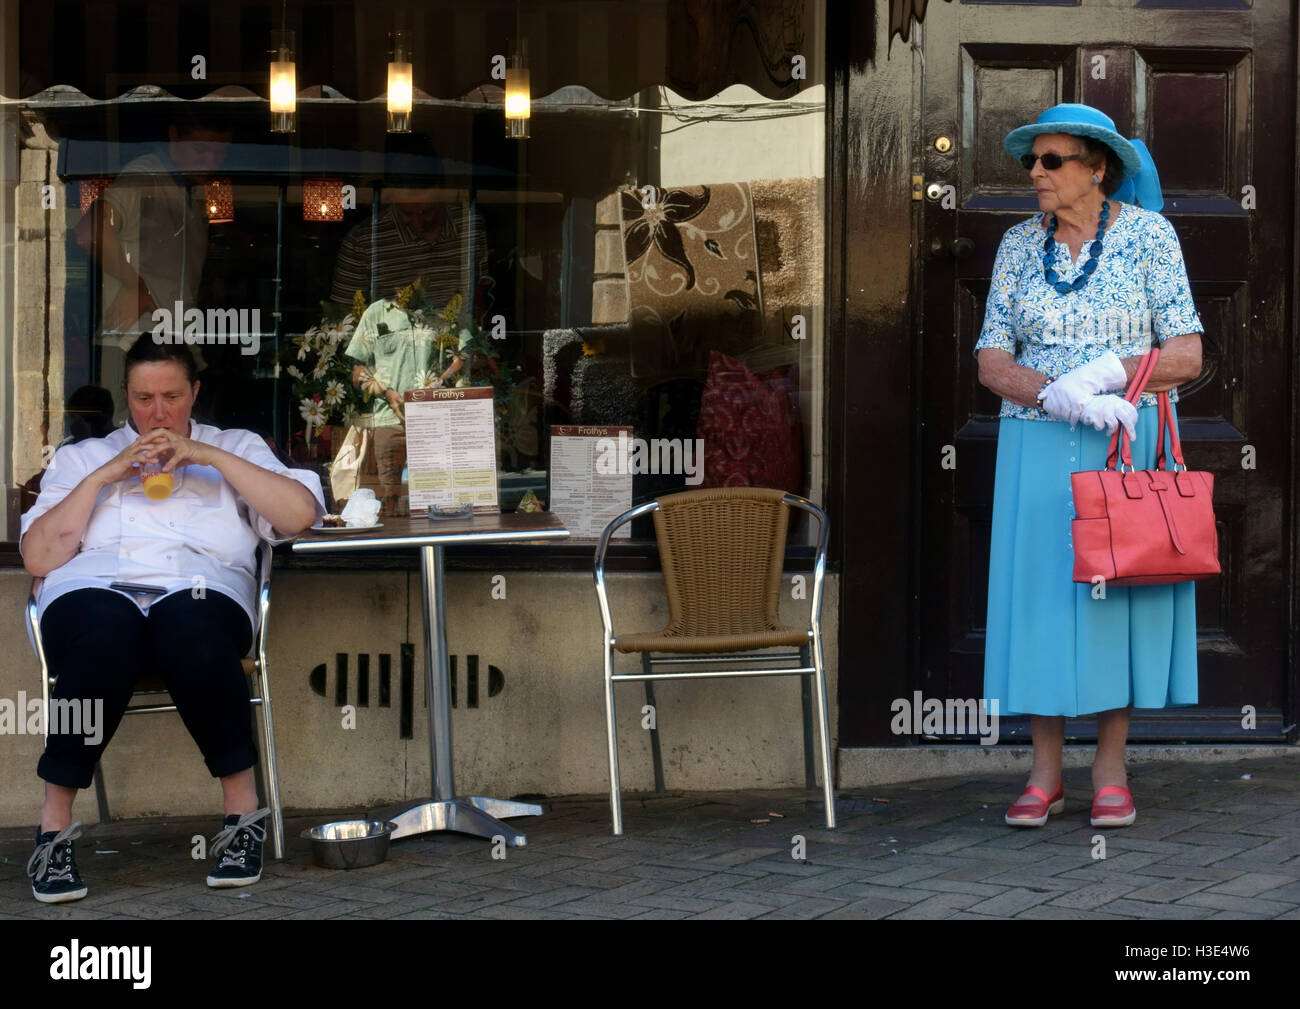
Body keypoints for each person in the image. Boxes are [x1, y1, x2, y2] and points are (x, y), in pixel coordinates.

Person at [20, 334, 324, 902]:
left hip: (199, 587)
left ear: (195, 393)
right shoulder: (83, 457)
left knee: (192, 626)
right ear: (125, 397)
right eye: (142, 399)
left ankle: (241, 816)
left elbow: (300, 514)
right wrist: (104, 476)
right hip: (95, 587)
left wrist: (208, 457)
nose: (157, 413)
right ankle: (53, 828)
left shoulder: (235, 445)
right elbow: (38, 557)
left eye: (171, 397)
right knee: (103, 638)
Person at [974, 104, 1204, 829]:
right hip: (1036, 441)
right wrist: (1054, 394)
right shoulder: (1017, 245)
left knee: (1114, 599)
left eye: (1051, 161)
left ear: (1096, 167)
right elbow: (989, 360)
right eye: (1031, 162)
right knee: (1041, 598)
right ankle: (1044, 772)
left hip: (1122, 441)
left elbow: (1189, 355)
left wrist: (1106, 375)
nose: (1035, 174)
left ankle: (1110, 765)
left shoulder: (1148, 238)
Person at [74, 112, 233, 423]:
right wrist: (136, 287)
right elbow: (89, 231)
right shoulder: (144, 177)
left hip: (176, 339)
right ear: (173, 135)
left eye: (219, 153)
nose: (210, 161)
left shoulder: (190, 190)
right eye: (201, 150)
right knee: (132, 438)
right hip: (135, 342)